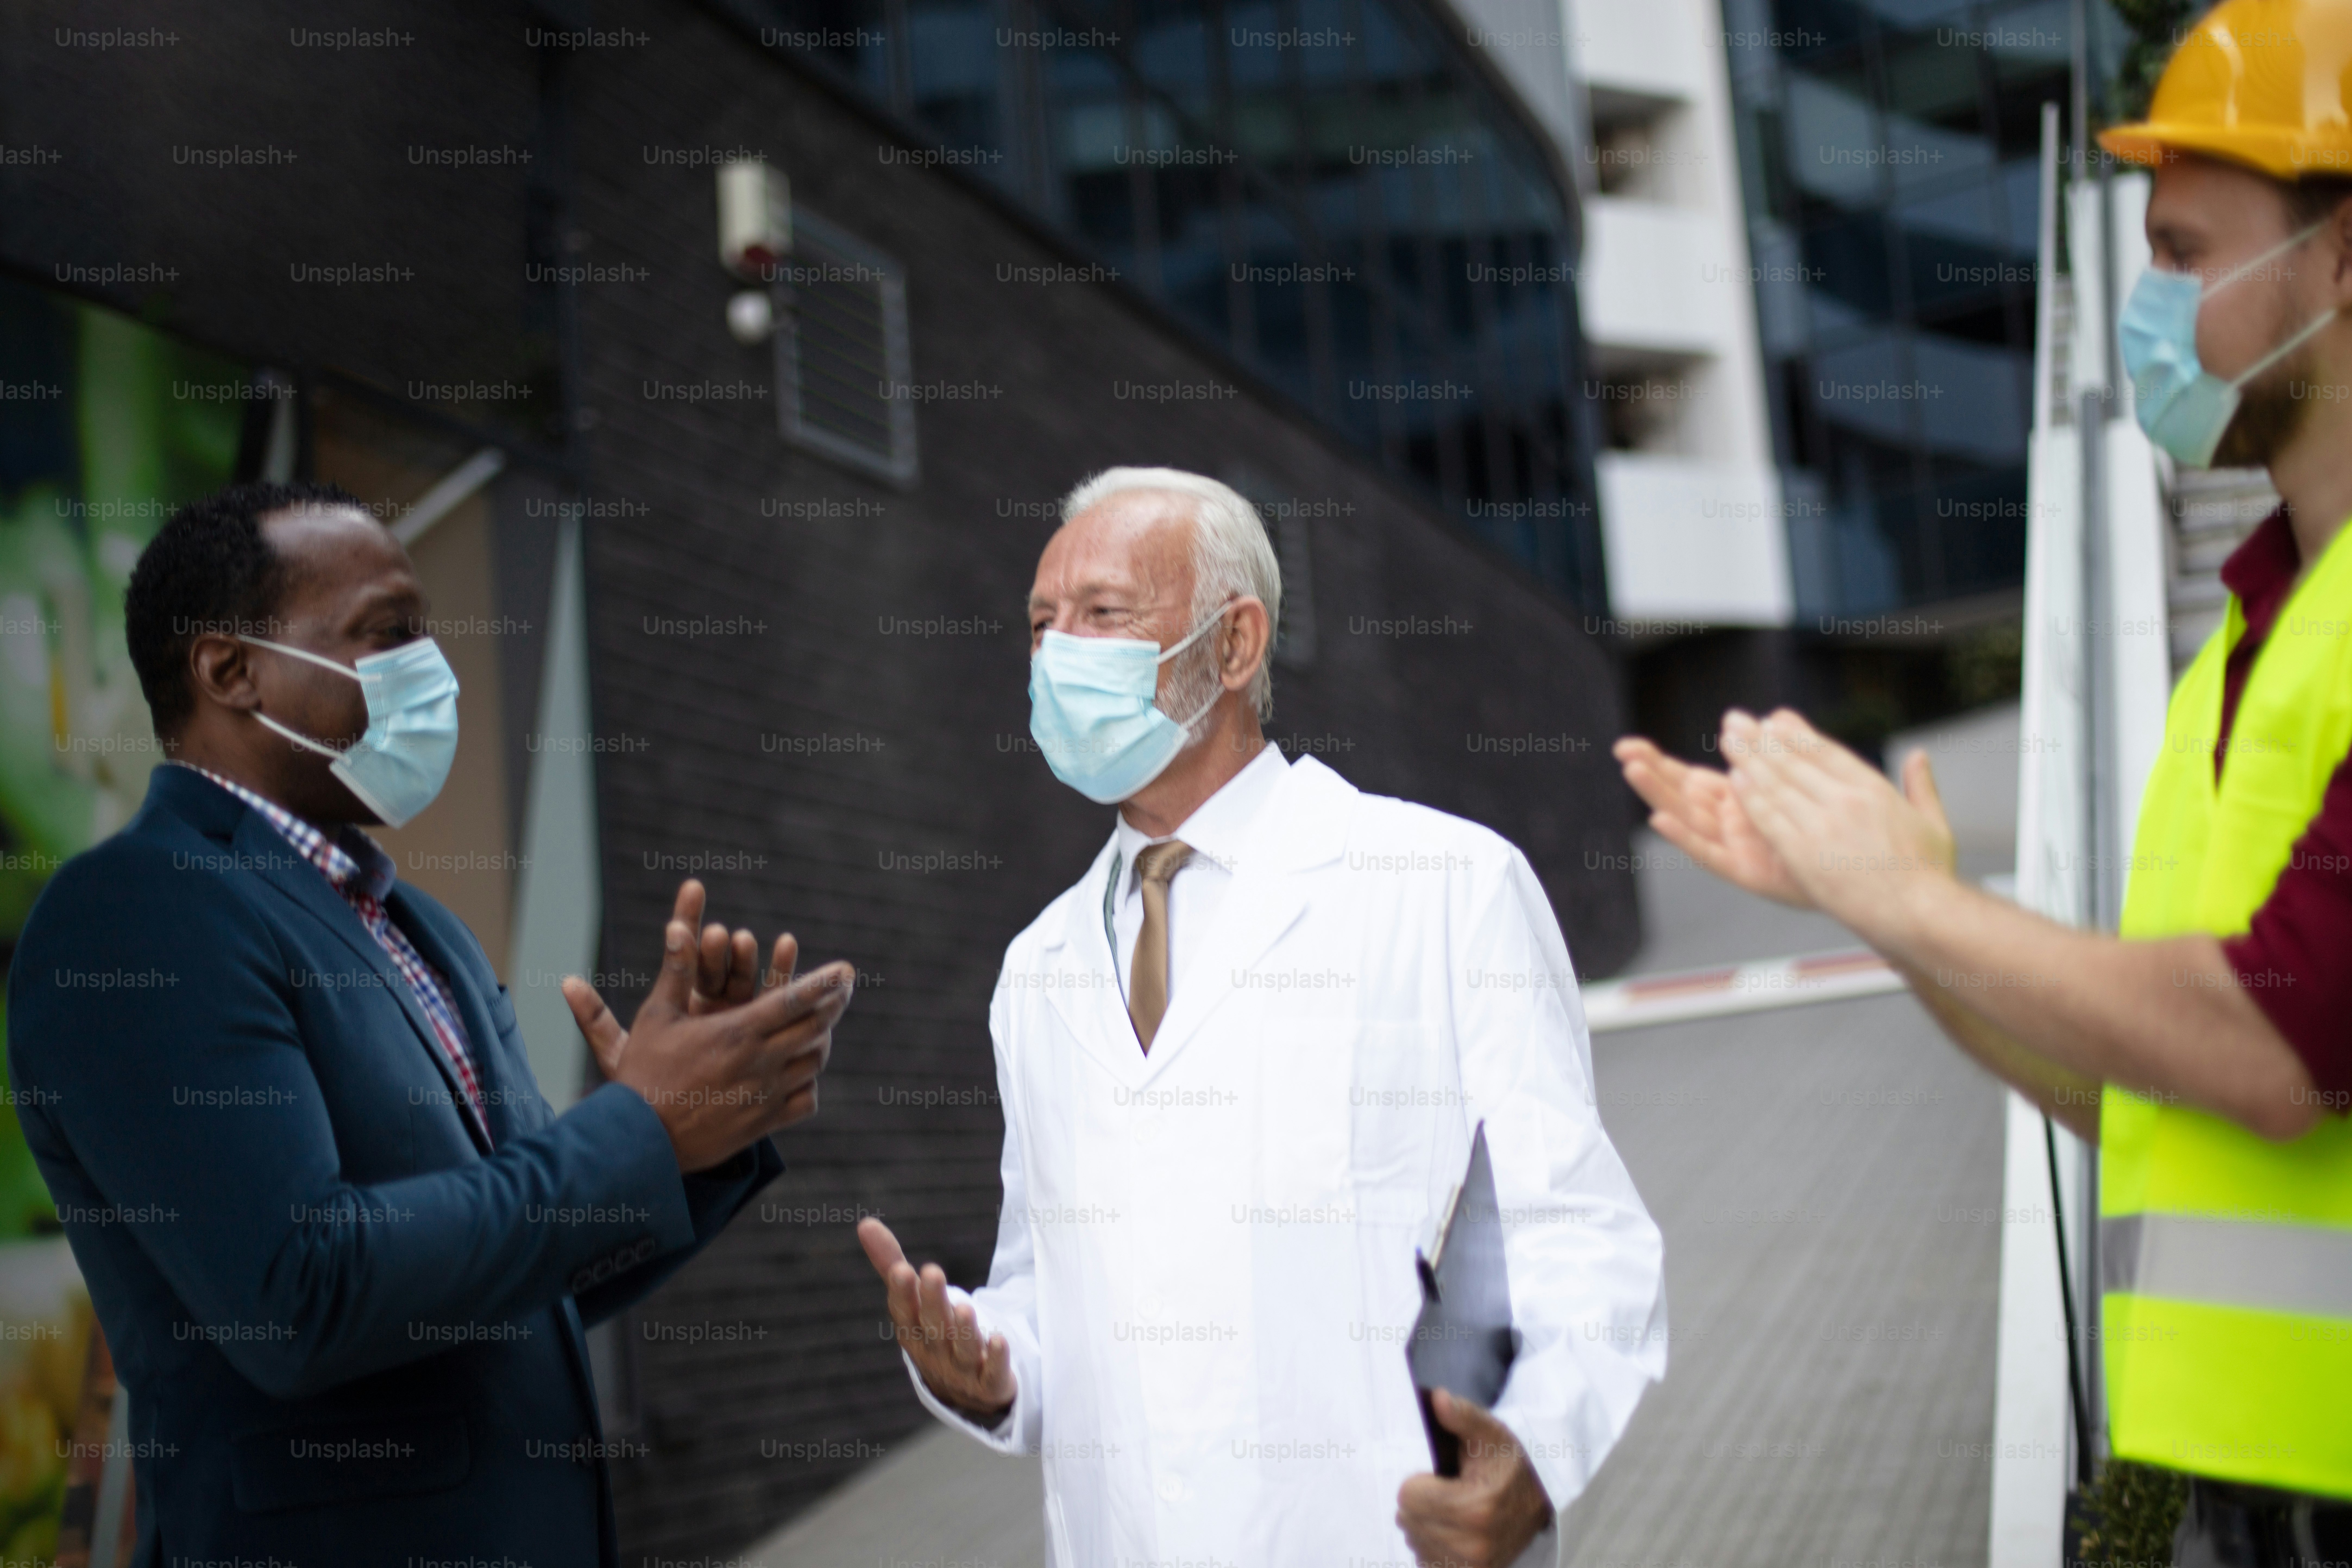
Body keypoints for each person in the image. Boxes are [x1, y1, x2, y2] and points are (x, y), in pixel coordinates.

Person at [1615, 1, 2352, 1557]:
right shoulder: (2251, 645)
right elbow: (2134, 1092)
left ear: (2340, 261)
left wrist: (1903, 895)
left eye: (2180, 247)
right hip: (2270, 1486)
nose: (2148, 302)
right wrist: (1896, 910)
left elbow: (2278, 1045)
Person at [5, 482, 853, 1568]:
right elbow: (297, 1295)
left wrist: (697, 1133)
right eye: (386, 633)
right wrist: (640, 1126)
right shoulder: (136, 912)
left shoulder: (418, 926)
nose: (433, 671)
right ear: (229, 671)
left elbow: (513, 1267)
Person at [856, 467, 1665, 1568]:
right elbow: (1053, 1288)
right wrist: (989, 1369)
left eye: (1102, 614)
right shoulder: (1036, 971)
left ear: (1232, 647)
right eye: (1040, 624)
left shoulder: (1441, 886)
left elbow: (1572, 1233)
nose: (1056, 654)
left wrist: (1532, 1445)